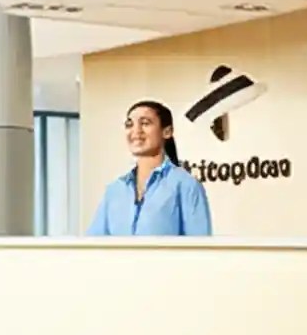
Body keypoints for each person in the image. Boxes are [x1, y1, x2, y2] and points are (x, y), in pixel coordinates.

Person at [86, 100, 212, 236]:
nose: (136, 131)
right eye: (129, 125)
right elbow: (95, 247)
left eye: (145, 123)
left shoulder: (186, 185)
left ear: (167, 132)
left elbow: (200, 250)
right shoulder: (114, 190)